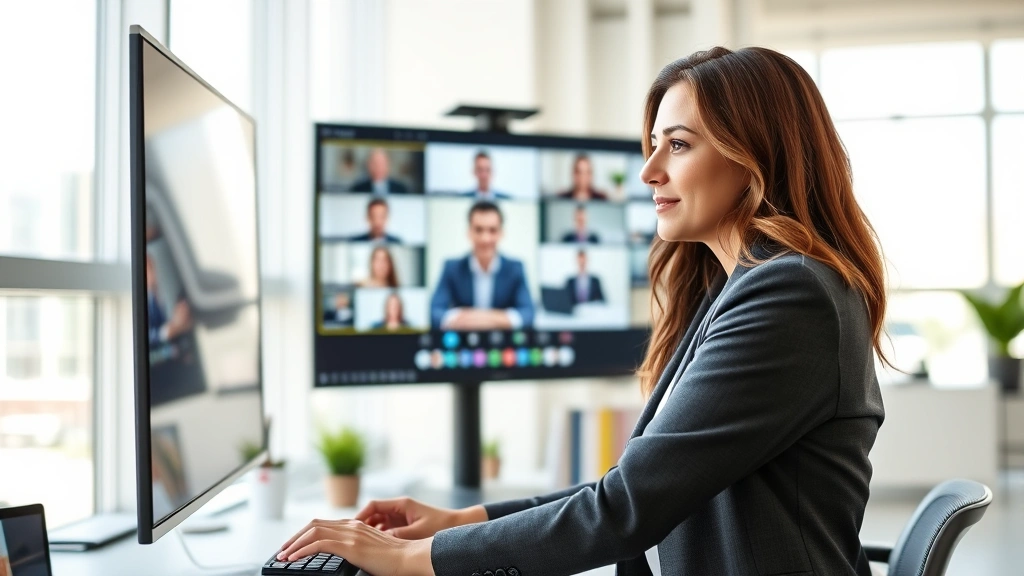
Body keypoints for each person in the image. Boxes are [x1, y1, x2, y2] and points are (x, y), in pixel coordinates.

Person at [276, 47, 889, 576]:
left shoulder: (791, 296)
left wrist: (416, 559)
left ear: (754, 154)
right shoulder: (740, 287)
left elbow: (627, 507)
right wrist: (463, 520)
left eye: (677, 145)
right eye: (653, 146)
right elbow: (640, 485)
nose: (649, 171)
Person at [428, 201, 534, 330]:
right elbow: (435, 313)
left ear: (501, 233)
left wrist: (474, 317)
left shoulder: (515, 269)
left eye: (492, 230)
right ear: (469, 232)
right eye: (479, 230)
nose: (485, 238)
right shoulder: (451, 268)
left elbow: (528, 314)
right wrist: (500, 318)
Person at [146, 253, 192, 345]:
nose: (151, 274)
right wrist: (169, 331)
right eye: (148, 270)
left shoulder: (159, 294)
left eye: (152, 268)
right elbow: (150, 335)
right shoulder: (146, 303)